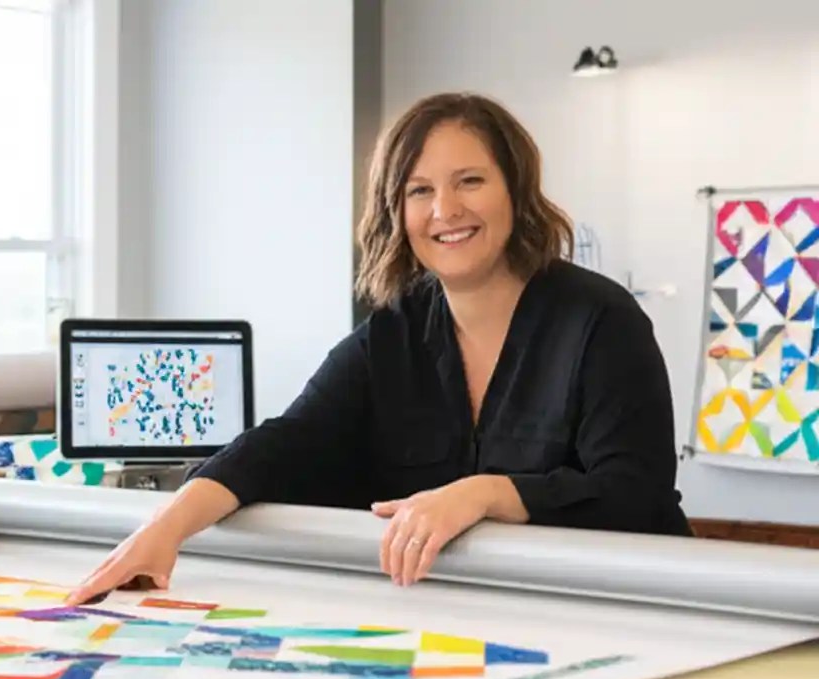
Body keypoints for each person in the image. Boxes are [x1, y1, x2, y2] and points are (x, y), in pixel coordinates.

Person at [65, 92, 691, 605]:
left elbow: (633, 494)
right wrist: (165, 526)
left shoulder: (602, 320)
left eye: (470, 181)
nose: (445, 210)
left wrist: (487, 492)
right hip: (477, 611)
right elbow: (289, 441)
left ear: (516, 191)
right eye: (419, 191)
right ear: (396, 210)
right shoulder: (392, 331)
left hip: (633, 608)